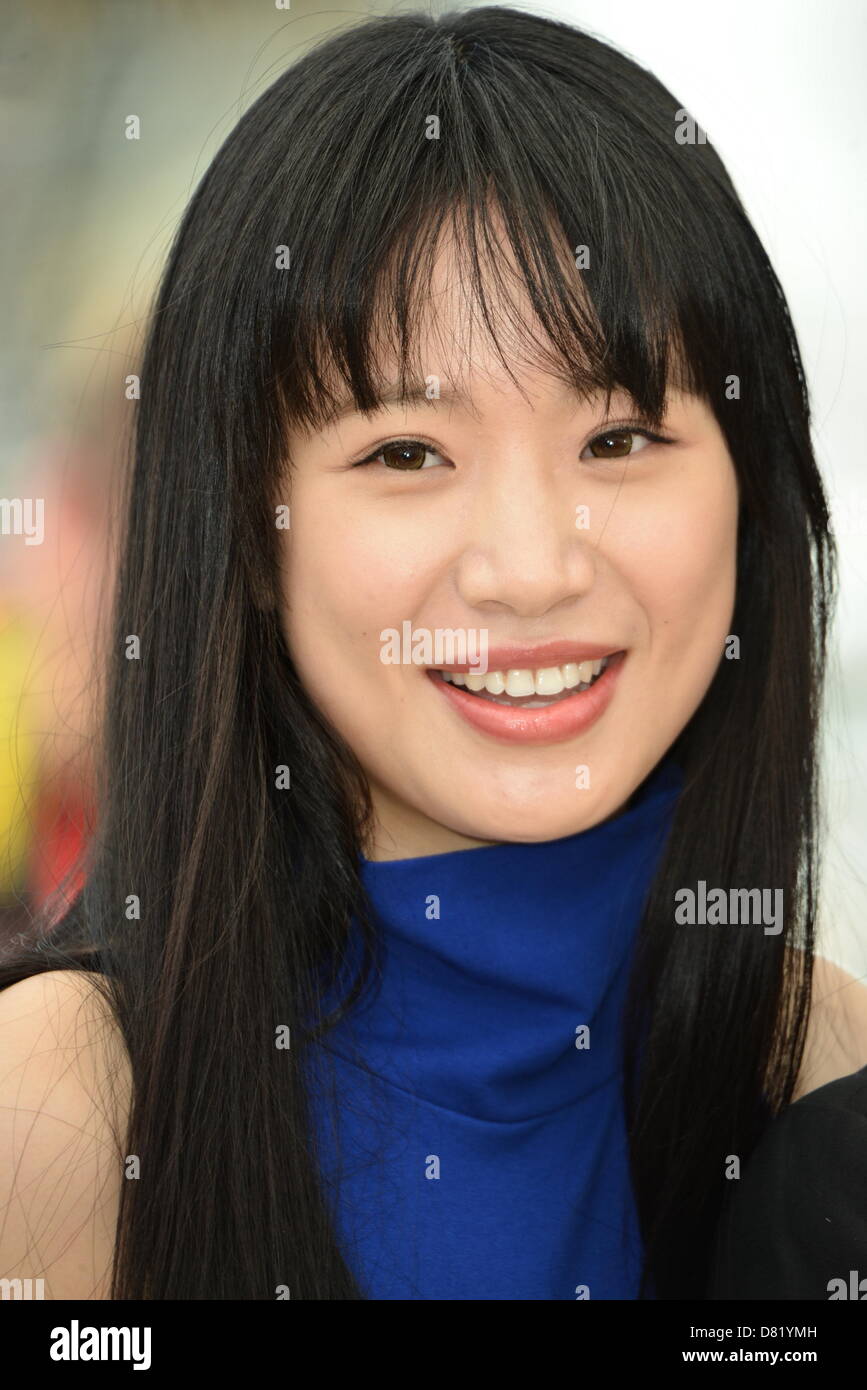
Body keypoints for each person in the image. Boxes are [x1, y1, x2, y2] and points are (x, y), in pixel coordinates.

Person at [1, 5, 865, 1301]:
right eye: (407, 453)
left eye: (620, 436)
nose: (531, 565)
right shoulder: (59, 1113)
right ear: (247, 528)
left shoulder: (829, 1071)